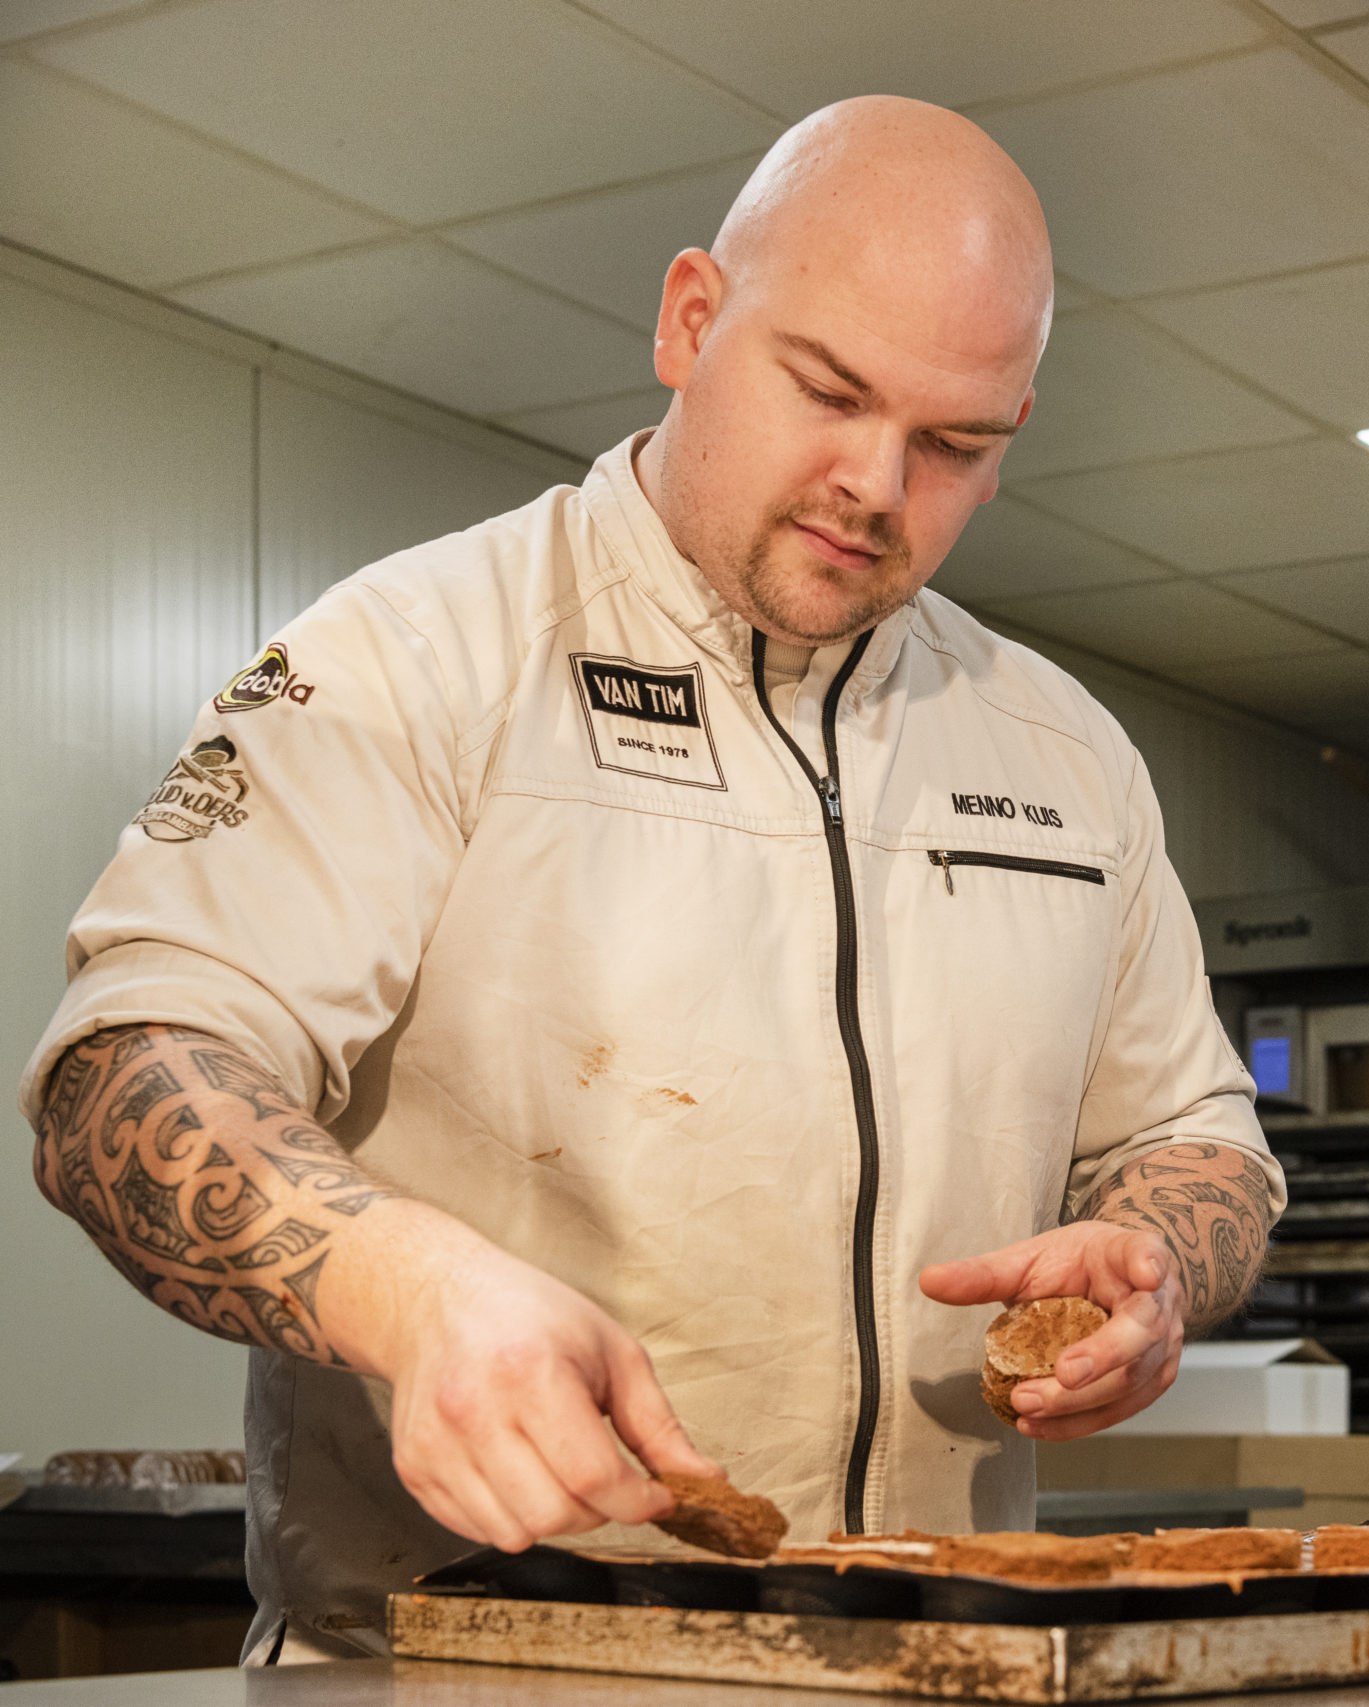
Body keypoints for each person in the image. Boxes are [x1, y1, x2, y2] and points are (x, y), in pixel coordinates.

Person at [20, 96, 1280, 1662]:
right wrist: (402, 1290)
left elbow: (1197, 1137)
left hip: (937, 1666)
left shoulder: (1068, 755)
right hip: (453, 1673)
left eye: (956, 446)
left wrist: (1156, 1268)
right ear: (692, 319)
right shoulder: (419, 657)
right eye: (827, 390)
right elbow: (121, 1076)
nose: (878, 486)